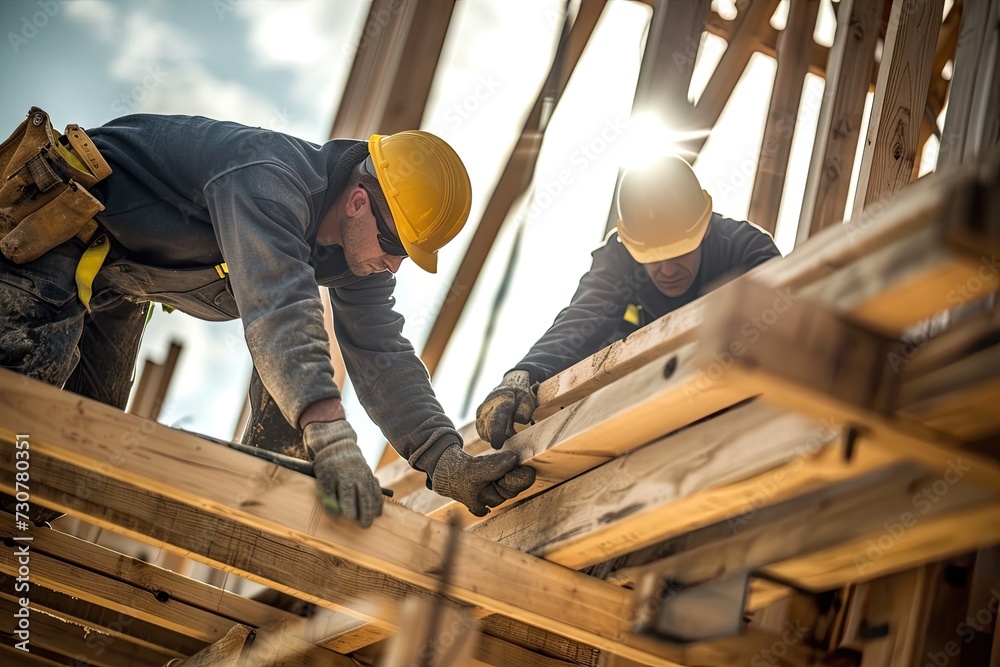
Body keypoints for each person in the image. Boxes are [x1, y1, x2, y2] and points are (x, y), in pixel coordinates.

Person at [0, 107, 535, 527]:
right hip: (51, 229)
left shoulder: (356, 258)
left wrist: (443, 459)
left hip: (118, 279)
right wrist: (329, 432)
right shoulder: (268, 177)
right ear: (357, 202)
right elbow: (277, 303)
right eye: (395, 243)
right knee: (29, 427)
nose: (394, 264)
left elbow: (382, 354)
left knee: (66, 469)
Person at [475, 154, 781, 449]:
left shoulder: (745, 250)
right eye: (653, 259)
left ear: (703, 229)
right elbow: (581, 321)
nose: (668, 269)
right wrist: (521, 375)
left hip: (734, 392)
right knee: (603, 351)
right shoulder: (619, 260)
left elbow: (791, 327)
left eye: (679, 252)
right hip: (644, 402)